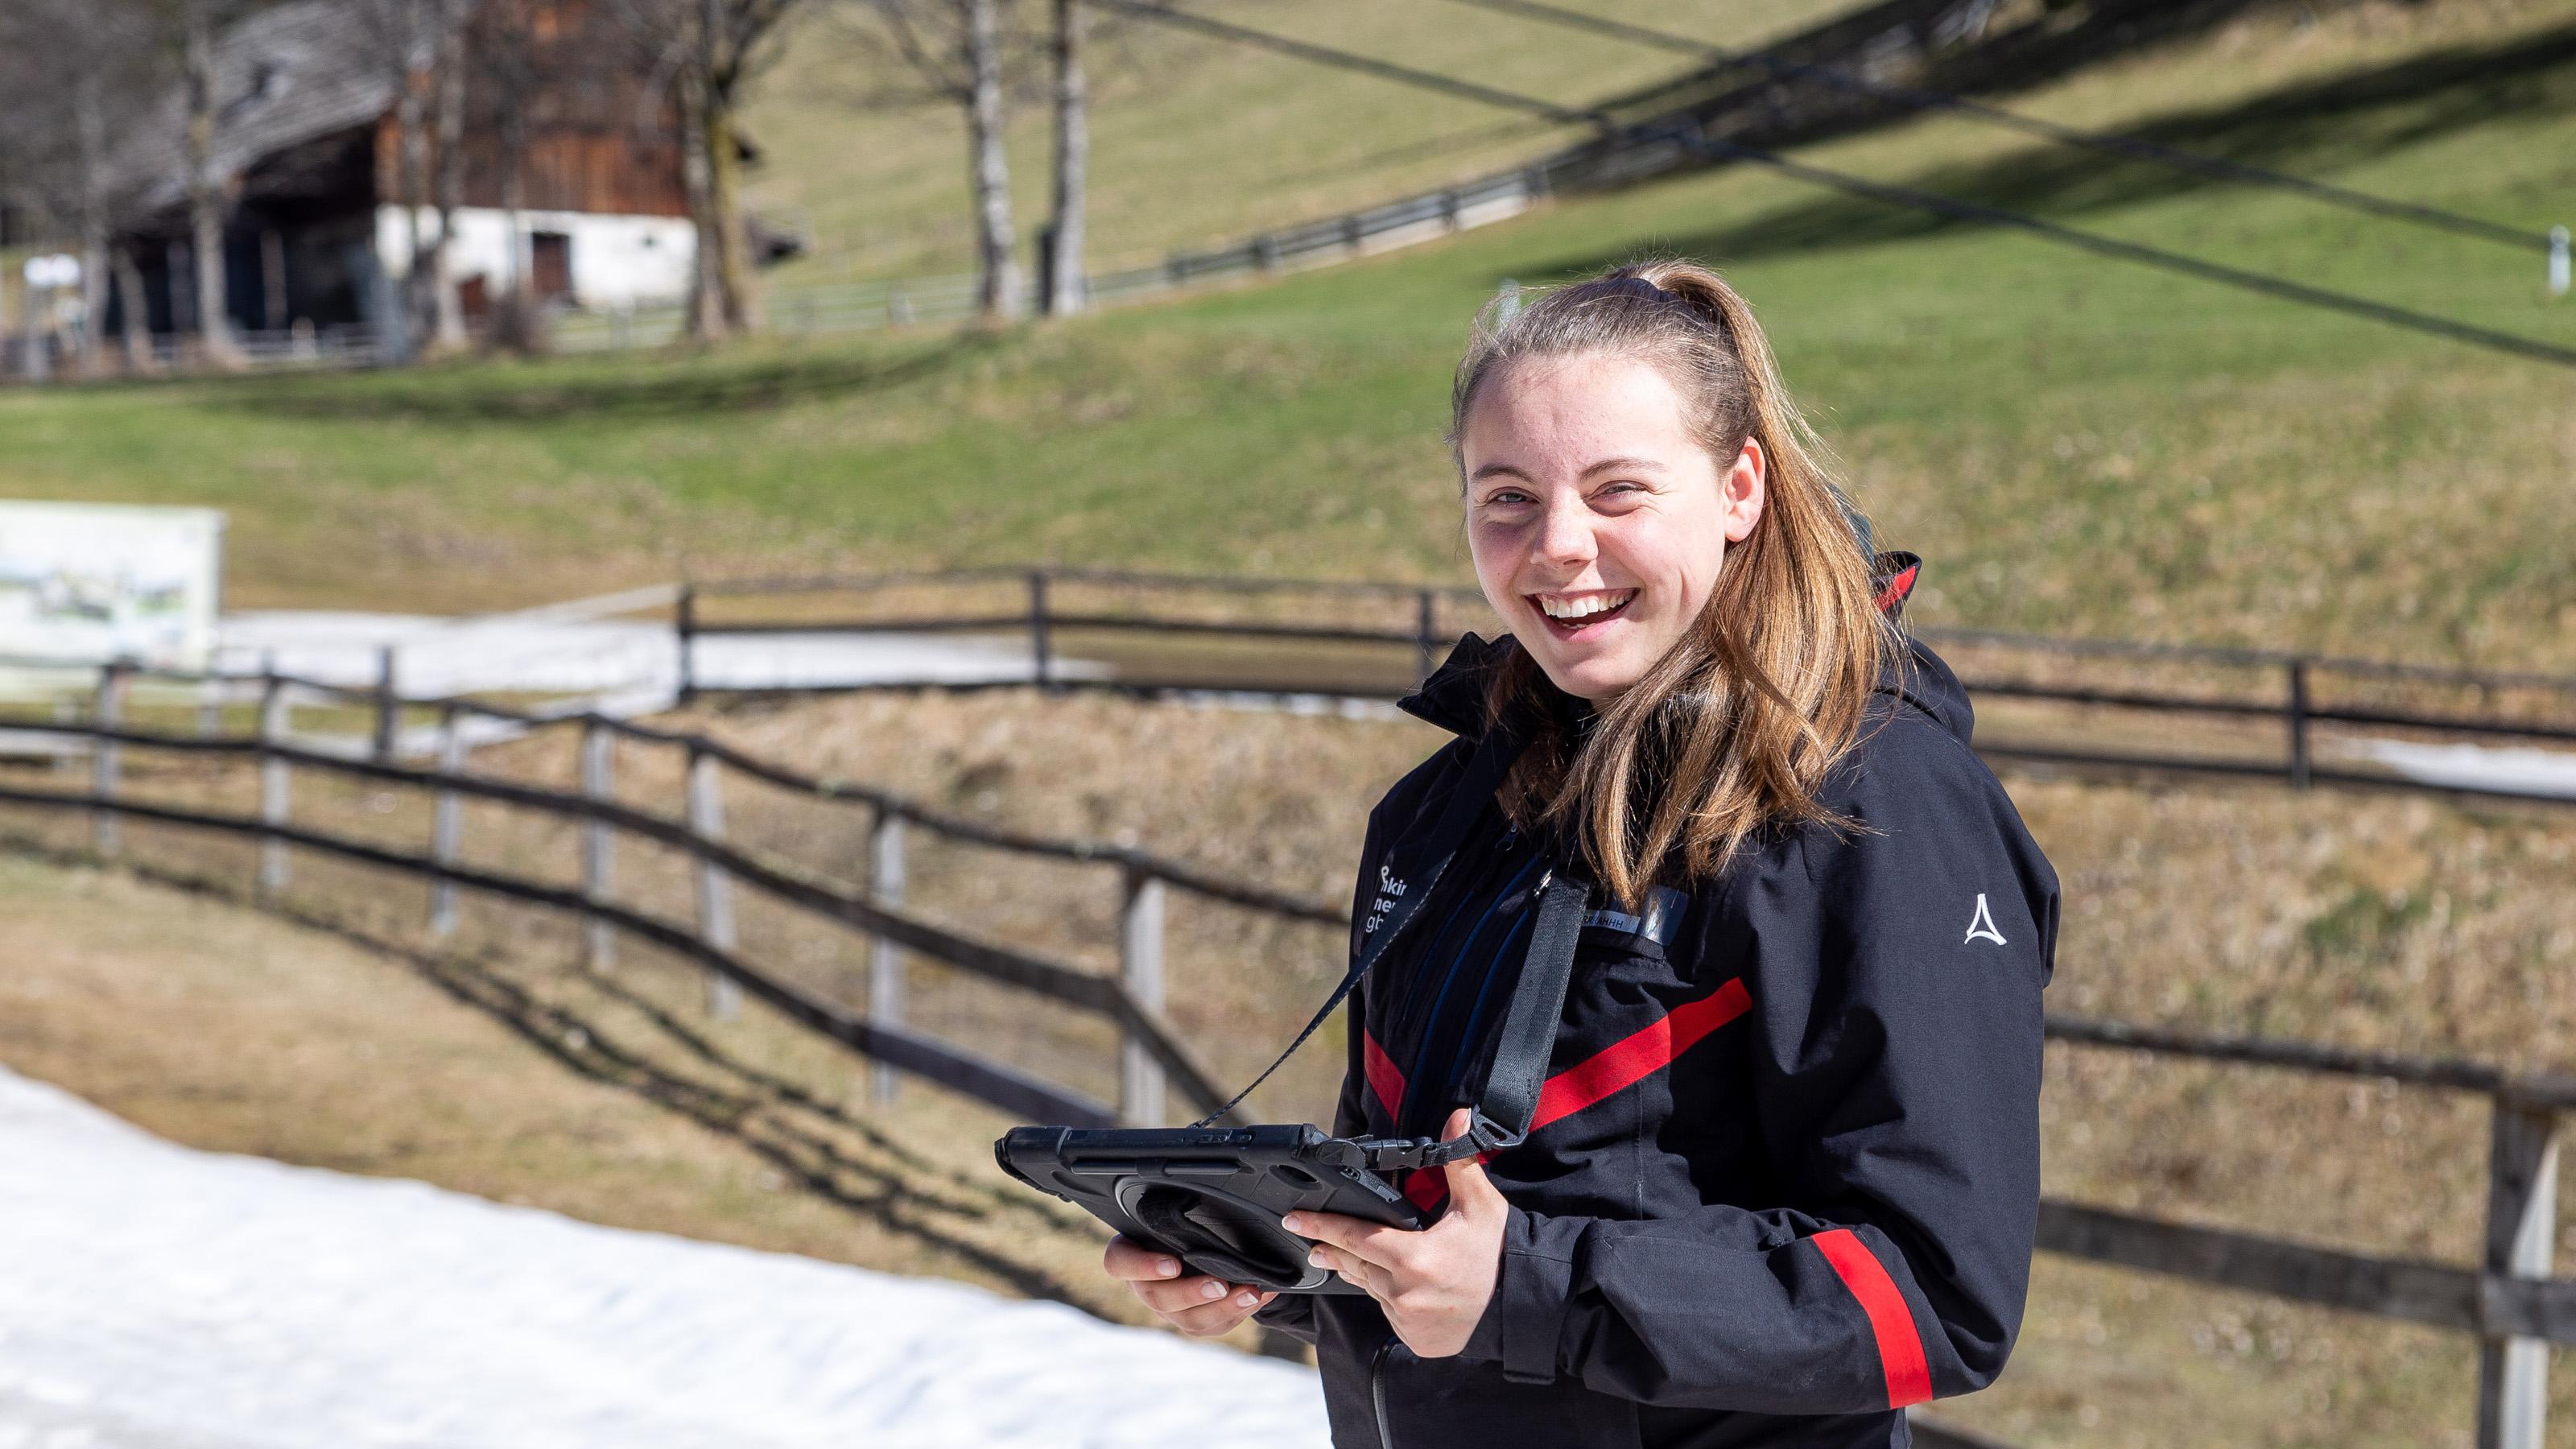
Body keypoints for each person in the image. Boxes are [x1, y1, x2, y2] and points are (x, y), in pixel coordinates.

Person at [1102, 258, 2058, 1448]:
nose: (1558, 547)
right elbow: (1465, 1218)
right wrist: (1286, 1260)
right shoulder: (1442, 811)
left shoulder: (1875, 810)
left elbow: (1936, 1295)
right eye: (1506, 496)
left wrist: (1525, 1291)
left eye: (1618, 491)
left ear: (1739, 489)